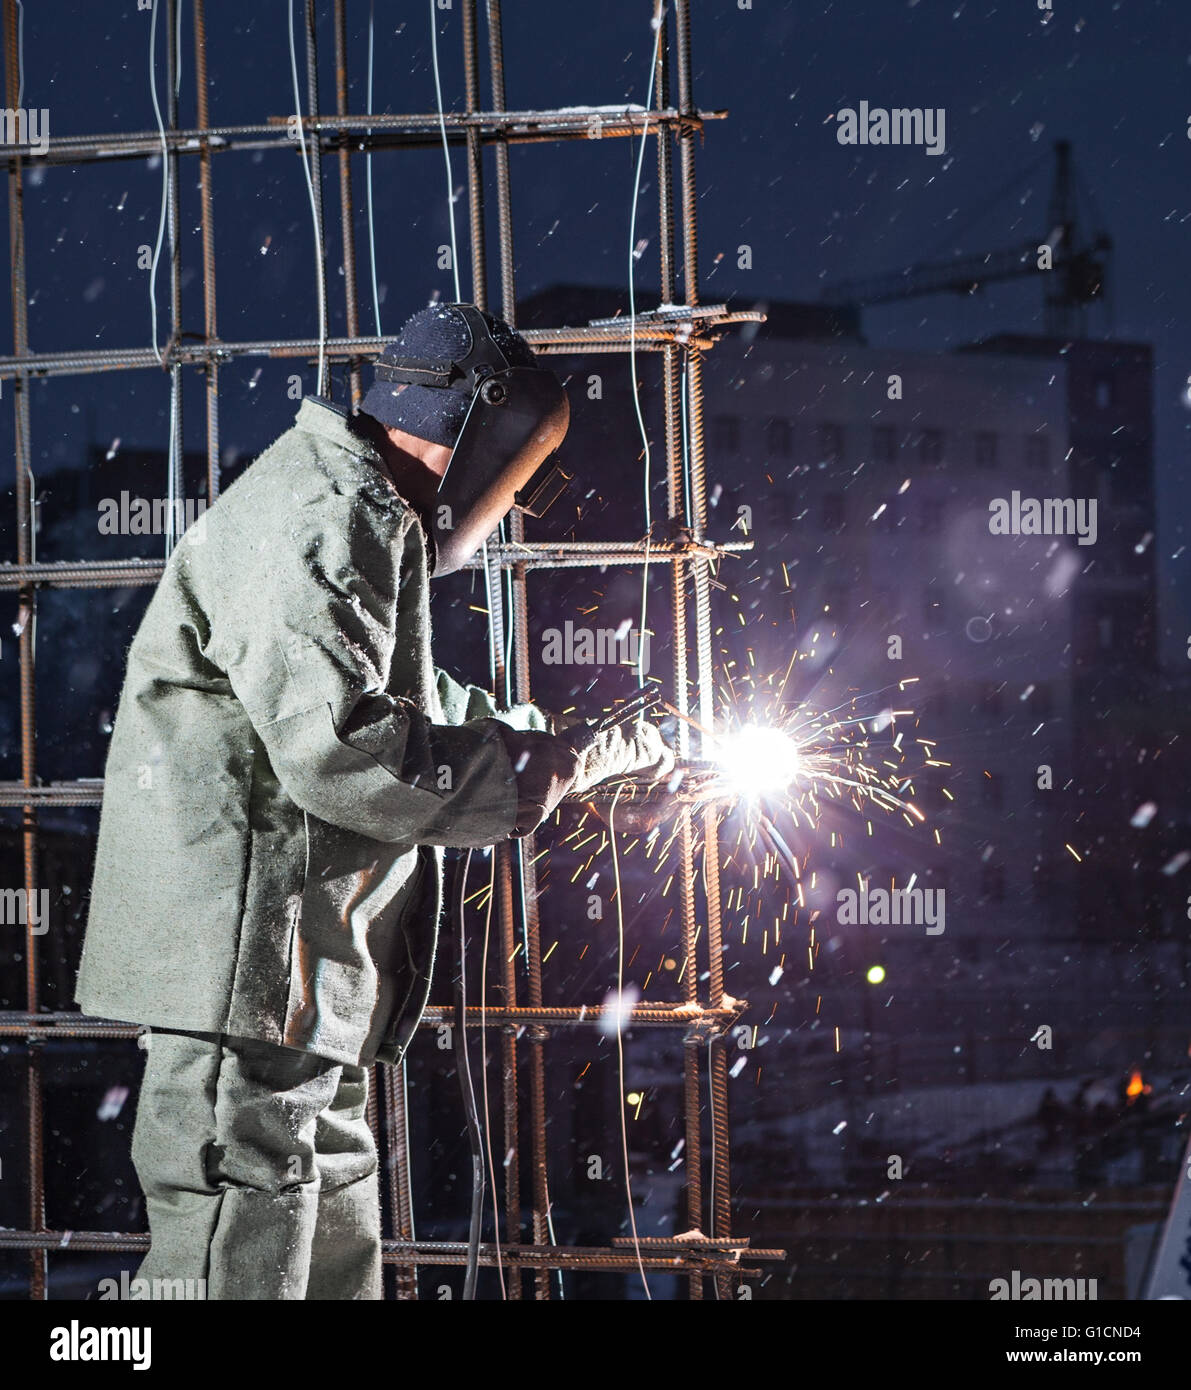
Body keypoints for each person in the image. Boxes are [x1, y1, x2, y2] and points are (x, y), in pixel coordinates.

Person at [75, 302, 674, 1300]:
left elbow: (416, 703)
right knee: (239, 1230)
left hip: (307, 968)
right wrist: (554, 771)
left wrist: (595, 752)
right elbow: (345, 749)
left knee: (325, 1218)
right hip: (246, 963)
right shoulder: (328, 514)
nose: (509, 496)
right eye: (516, 466)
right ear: (477, 435)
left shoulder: (362, 507)